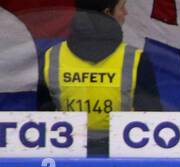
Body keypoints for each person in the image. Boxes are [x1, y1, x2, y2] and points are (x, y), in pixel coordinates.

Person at [38, 0, 161, 156]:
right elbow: (153, 119)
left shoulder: (52, 57)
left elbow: (41, 119)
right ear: (107, 13)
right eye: (122, 8)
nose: (126, 13)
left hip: (67, 158)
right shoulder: (135, 59)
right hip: (124, 159)